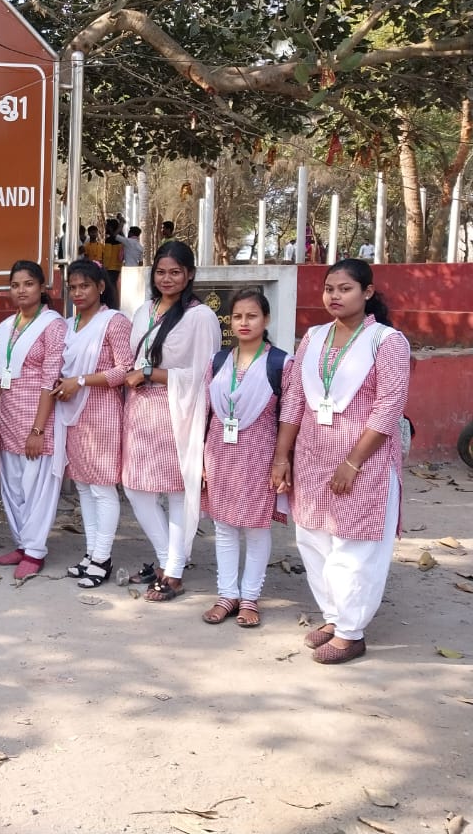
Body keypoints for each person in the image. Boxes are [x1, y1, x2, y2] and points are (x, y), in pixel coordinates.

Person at [271, 260, 411, 664]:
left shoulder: (387, 342)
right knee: (313, 538)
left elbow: (389, 407)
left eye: (345, 288)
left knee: (355, 545)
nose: (334, 296)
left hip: (362, 461)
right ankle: (334, 618)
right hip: (313, 457)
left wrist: (352, 462)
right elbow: (294, 400)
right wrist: (282, 456)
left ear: (367, 293)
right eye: (329, 288)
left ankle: (352, 632)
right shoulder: (313, 338)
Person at [122, 241, 221, 601]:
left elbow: (204, 374)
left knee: (178, 492)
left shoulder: (200, 317)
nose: (167, 278)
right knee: (136, 487)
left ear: (190, 274)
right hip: (140, 413)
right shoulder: (144, 311)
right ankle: (168, 558)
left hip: (177, 411)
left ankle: (173, 571)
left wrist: (150, 372)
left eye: (175, 272)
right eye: (161, 271)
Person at [201, 289, 292, 628]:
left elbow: (290, 415)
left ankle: (250, 598)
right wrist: (201, 459)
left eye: (251, 316)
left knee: (255, 527)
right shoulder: (219, 360)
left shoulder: (281, 363)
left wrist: (282, 460)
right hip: (220, 453)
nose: (244, 322)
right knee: (223, 527)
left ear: (265, 320)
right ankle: (227, 594)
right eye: (237, 316)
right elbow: (207, 412)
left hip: (259, 454)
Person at [52, 259, 133, 588]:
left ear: (101, 287)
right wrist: (65, 382)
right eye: (72, 287)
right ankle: (91, 553)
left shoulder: (113, 321)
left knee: (101, 488)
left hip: (102, 413)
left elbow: (125, 370)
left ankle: (102, 558)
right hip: (74, 414)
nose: (78, 292)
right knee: (84, 486)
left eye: (85, 285)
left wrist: (82, 381)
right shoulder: (69, 325)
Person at [0, 260, 67, 580]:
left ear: (42, 288)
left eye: (28, 284)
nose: (21, 290)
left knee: (37, 487)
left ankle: (35, 551)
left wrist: (38, 429)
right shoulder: (6, 326)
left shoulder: (53, 325)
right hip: (8, 416)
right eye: (15, 285)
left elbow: (51, 379)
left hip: (38, 417)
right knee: (12, 486)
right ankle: (23, 543)